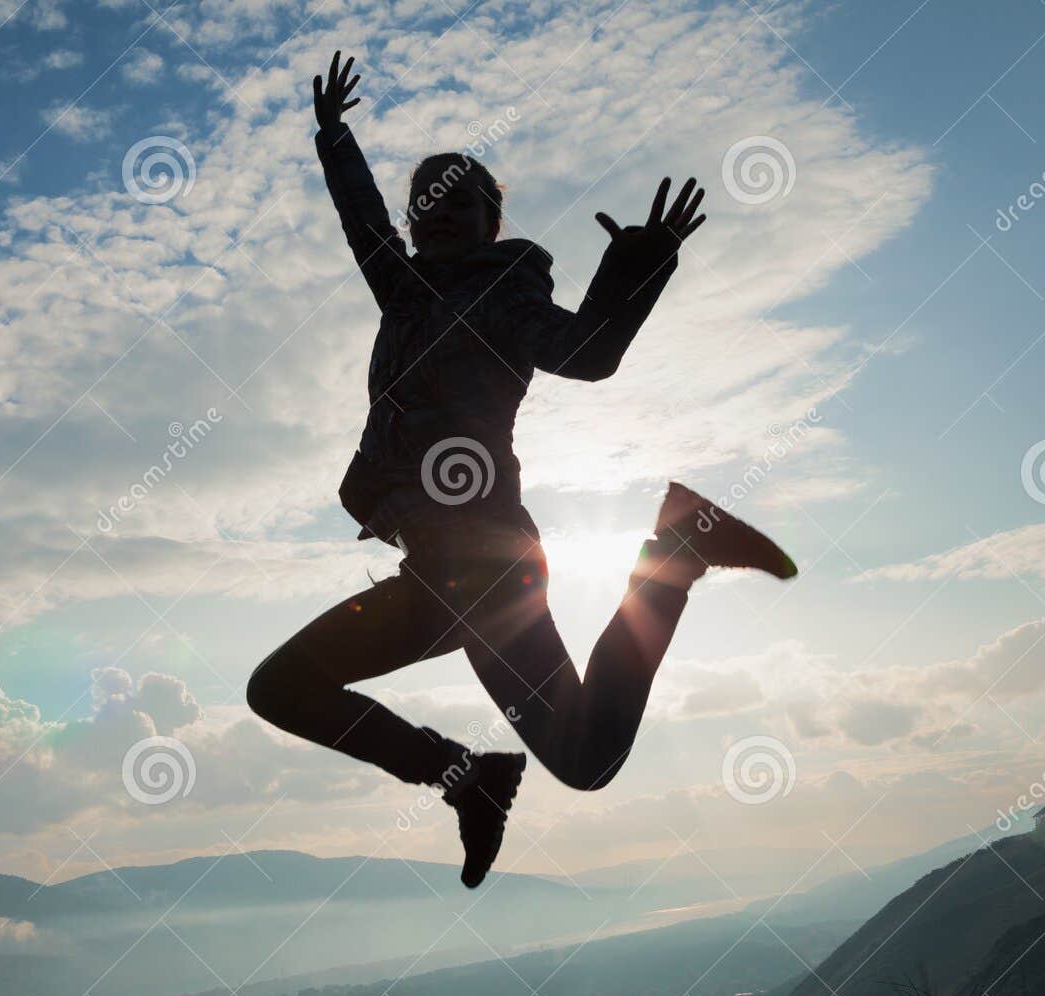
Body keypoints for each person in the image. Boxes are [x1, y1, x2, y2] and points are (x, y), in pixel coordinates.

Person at [247, 52, 798, 888]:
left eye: (458, 200)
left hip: (492, 575)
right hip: (435, 579)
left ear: (490, 221)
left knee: (583, 755)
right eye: (424, 202)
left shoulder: (505, 299)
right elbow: (363, 224)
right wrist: (334, 137)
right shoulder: (402, 292)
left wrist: (640, 263)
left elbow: (590, 351)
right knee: (282, 687)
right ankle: (467, 777)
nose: (435, 214)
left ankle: (676, 553)